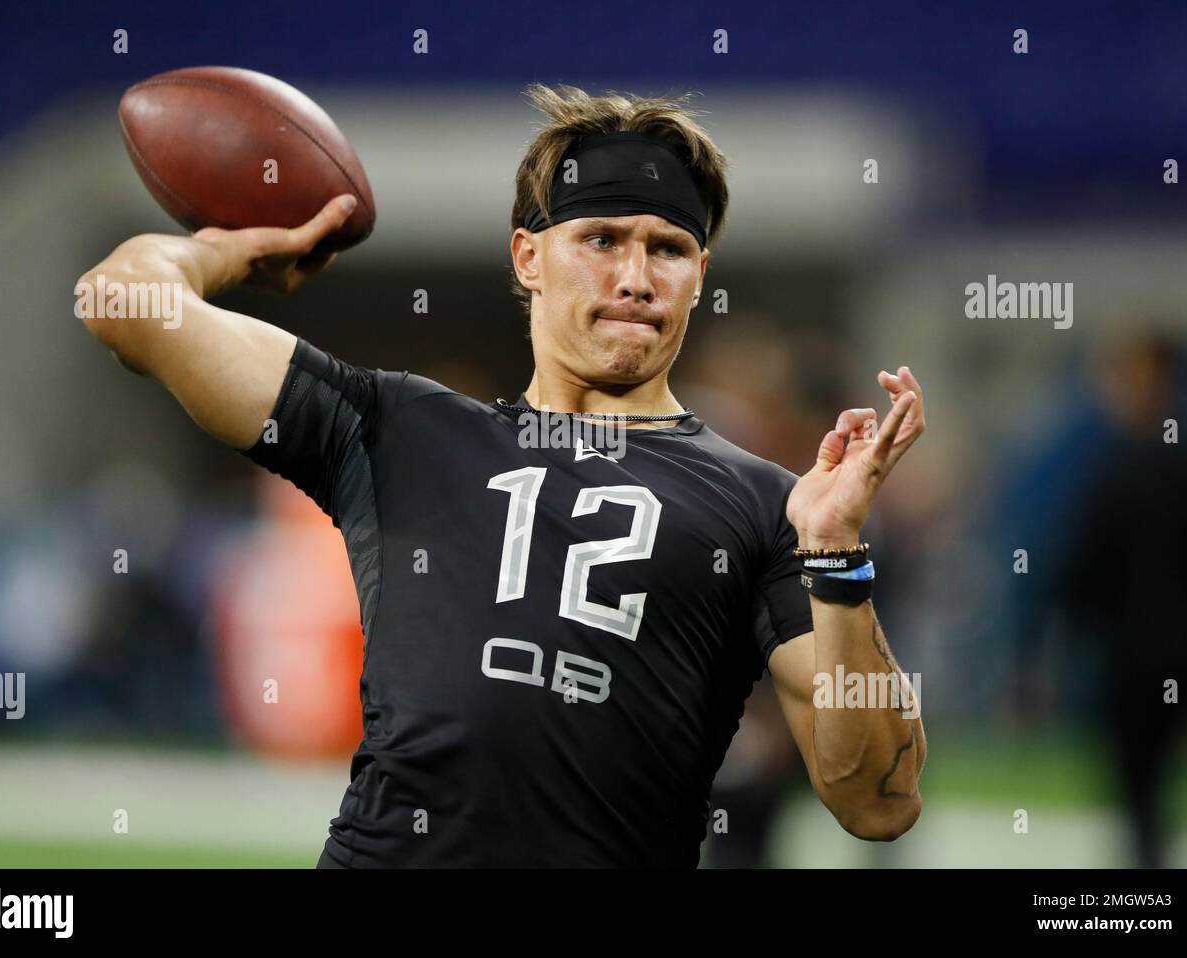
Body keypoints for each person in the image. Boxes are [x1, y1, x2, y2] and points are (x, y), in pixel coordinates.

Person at [76, 83, 927, 867]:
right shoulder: (400, 428)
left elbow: (878, 802)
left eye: (668, 248)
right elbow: (118, 301)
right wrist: (229, 252)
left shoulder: (769, 504)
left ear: (699, 277)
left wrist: (835, 557)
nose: (635, 277)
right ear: (527, 258)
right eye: (600, 239)